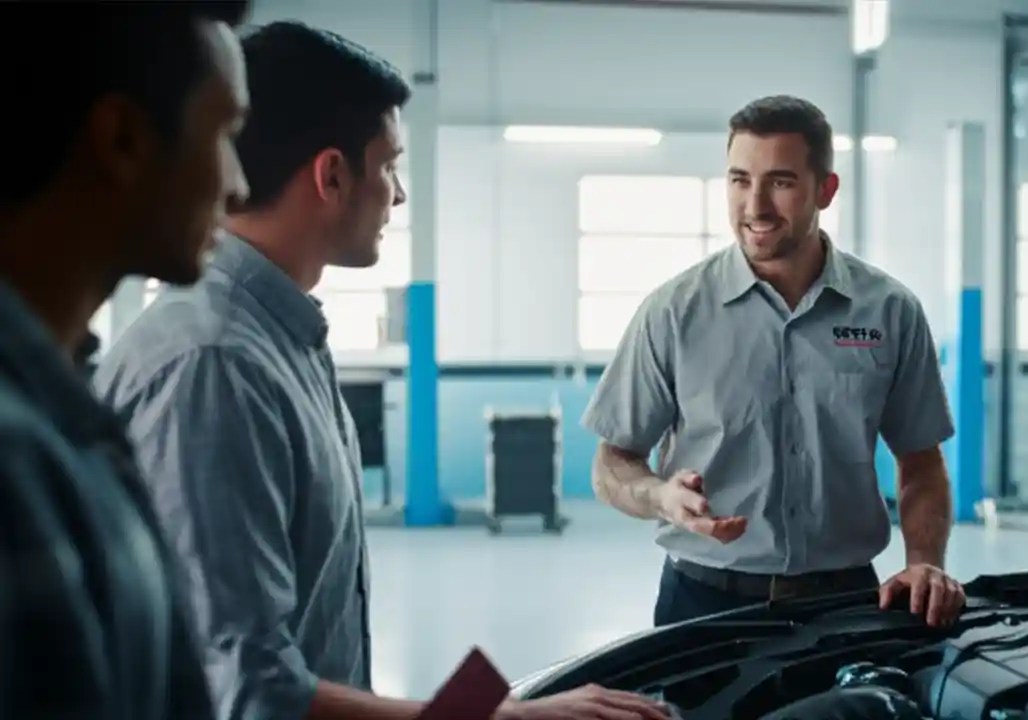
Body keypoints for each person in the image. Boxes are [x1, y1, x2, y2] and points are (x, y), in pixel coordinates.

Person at [94, 20, 669, 720]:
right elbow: (247, 690)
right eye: (391, 165)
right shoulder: (215, 365)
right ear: (332, 175)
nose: (398, 196)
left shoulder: (282, 336)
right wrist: (493, 719)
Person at [582, 95, 967, 629]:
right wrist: (661, 497)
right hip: (701, 606)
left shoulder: (890, 311)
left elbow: (921, 463)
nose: (755, 206)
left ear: (825, 190)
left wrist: (924, 564)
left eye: (781, 182)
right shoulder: (674, 313)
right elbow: (612, 463)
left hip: (846, 603)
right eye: (740, 180)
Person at [0, 2, 252, 718]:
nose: (236, 183)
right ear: (122, 139)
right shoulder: (15, 461)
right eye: (226, 132)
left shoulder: (64, 420)